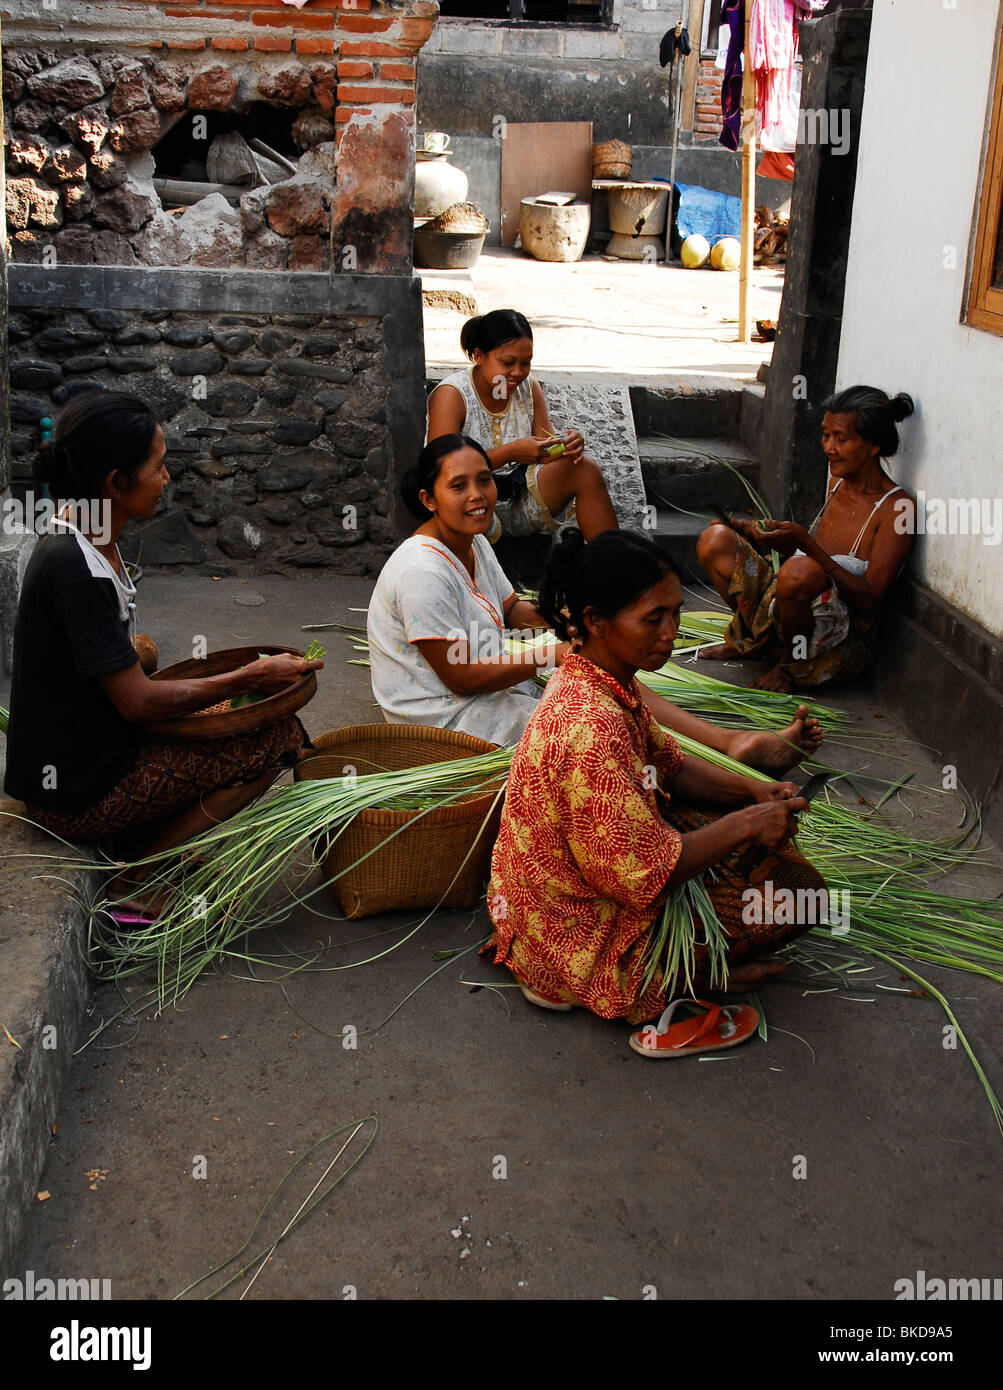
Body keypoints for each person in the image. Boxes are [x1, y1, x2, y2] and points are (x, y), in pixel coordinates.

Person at [483, 529, 827, 1053]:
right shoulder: (591, 727)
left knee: (739, 839)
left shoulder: (599, 677)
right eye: (653, 619)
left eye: (676, 614)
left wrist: (752, 792)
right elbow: (644, 876)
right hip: (574, 935)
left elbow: (671, 767)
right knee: (798, 896)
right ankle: (669, 981)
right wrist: (747, 824)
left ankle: (688, 963)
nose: (671, 633)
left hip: (544, 905)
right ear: (595, 620)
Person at [3, 390, 322, 905]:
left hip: (80, 761)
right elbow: (138, 703)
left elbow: (111, 663)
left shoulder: (78, 532)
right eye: (158, 467)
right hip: (73, 795)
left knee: (162, 668)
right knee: (277, 738)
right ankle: (139, 877)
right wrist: (250, 677)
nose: (167, 479)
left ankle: (144, 843)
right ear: (114, 482)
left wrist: (146, 659)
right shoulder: (76, 569)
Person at [369, 435, 824, 772]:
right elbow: (460, 678)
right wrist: (552, 653)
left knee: (602, 668)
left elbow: (508, 610)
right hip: (444, 718)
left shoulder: (473, 541)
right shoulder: (421, 572)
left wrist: (563, 621)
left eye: (484, 480)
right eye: (459, 486)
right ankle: (726, 775)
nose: (477, 496)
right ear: (428, 499)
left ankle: (727, 743)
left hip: (482, 690)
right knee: (594, 731)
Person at [696, 386, 916, 691]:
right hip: (790, 615)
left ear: (873, 445)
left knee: (799, 572)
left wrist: (806, 546)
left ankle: (790, 667)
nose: (829, 447)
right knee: (715, 540)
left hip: (839, 643)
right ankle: (756, 641)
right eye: (826, 435)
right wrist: (766, 537)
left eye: (841, 438)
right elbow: (804, 568)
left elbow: (869, 599)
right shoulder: (838, 482)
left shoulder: (897, 508)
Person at [425, 309, 619, 541]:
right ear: (479, 356)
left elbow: (545, 452)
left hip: (521, 498)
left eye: (526, 363)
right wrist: (510, 452)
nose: (518, 372)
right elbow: (439, 468)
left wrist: (566, 445)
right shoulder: (453, 395)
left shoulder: (528, 386)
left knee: (585, 468)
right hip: (470, 504)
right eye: (507, 362)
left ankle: (612, 565)